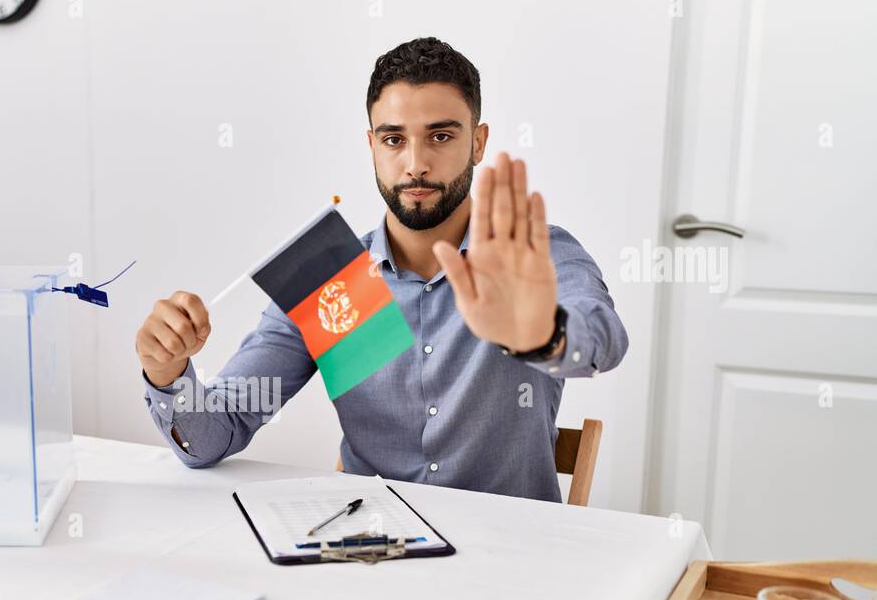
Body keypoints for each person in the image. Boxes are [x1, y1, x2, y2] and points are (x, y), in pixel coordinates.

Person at [134, 37, 627, 501]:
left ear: (478, 143)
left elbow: (603, 342)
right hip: (371, 556)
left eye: (440, 136)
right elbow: (211, 437)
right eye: (394, 139)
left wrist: (540, 333)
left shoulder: (534, 253)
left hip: (510, 560)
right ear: (372, 145)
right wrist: (167, 372)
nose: (416, 164)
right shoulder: (329, 282)